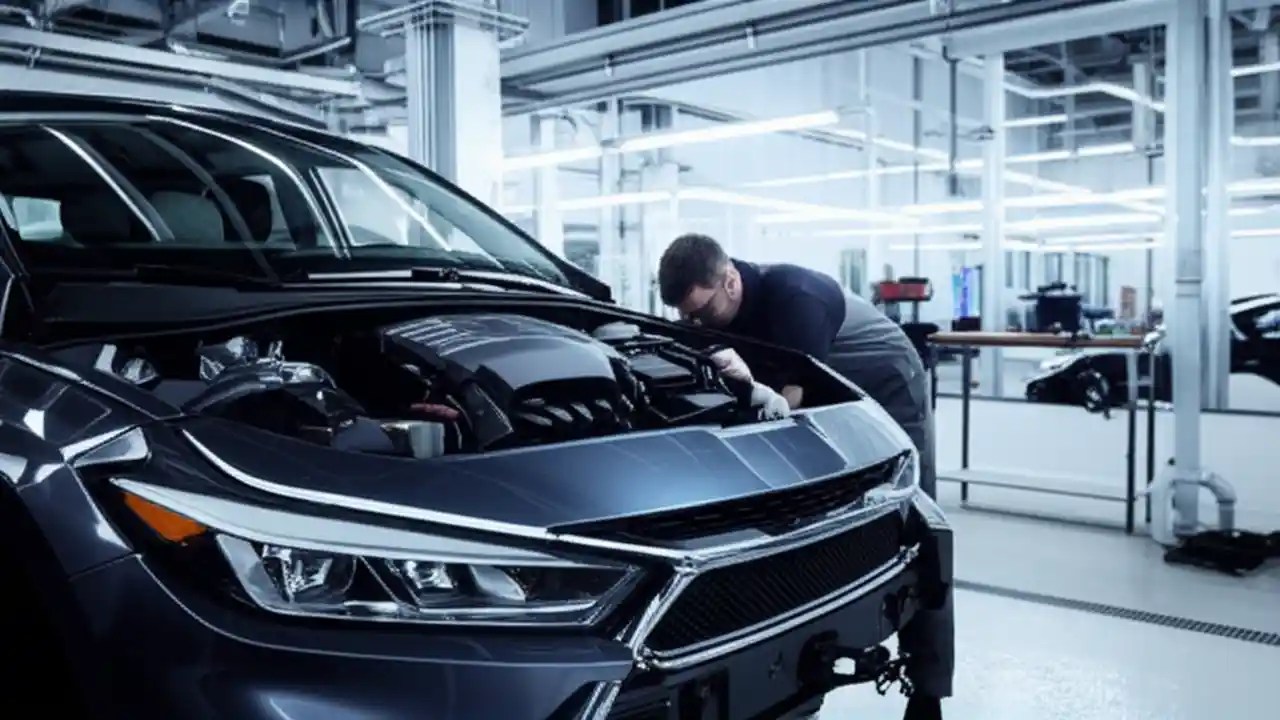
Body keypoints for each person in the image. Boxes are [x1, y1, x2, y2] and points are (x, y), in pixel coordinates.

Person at [657, 233, 952, 720]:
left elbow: (794, 395)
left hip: (887, 384)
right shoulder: (717, 302)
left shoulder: (796, 296)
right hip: (826, 388)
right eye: (685, 315)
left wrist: (757, 401)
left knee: (915, 527)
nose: (694, 324)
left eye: (701, 313)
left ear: (730, 281)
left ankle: (928, 691)